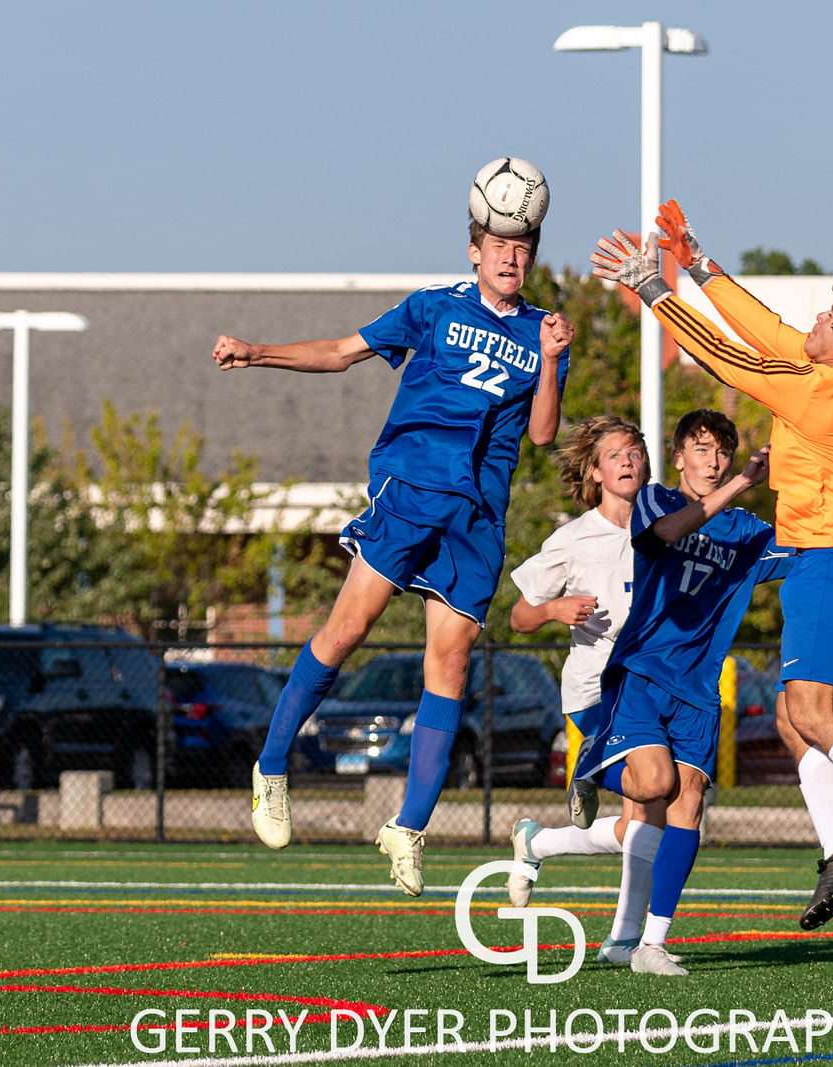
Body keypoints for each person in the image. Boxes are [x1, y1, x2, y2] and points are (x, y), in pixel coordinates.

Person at [591, 203, 833, 934]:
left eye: (829, 316)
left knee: (811, 712)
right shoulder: (829, 376)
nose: (814, 317)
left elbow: (729, 358)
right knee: (794, 719)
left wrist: (653, 291)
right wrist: (696, 263)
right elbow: (765, 330)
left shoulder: (819, 393)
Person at [213, 211, 573, 897]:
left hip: (478, 515)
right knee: (348, 630)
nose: (511, 258)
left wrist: (553, 359)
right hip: (411, 488)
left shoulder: (542, 332)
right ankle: (272, 764)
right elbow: (342, 351)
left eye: (522, 249)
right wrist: (257, 352)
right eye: (500, 245)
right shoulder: (432, 308)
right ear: (474, 252)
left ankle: (407, 828)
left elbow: (545, 432)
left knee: (453, 657)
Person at [573, 409, 792, 976]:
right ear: (678, 458)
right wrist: (746, 480)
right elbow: (670, 534)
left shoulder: (746, 531)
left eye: (722, 451)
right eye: (701, 449)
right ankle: (594, 767)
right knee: (655, 784)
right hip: (645, 671)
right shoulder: (655, 501)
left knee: (688, 805)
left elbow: (803, 556)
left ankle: (651, 946)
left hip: (699, 687)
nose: (713, 461)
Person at [503, 415, 669, 964]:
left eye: (635, 452)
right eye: (616, 454)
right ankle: (626, 941)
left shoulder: (664, 527)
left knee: (644, 819)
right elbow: (518, 616)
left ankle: (538, 842)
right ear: (595, 472)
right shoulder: (572, 539)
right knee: (651, 792)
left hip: (651, 685)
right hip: (595, 691)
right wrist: (553, 609)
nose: (628, 460)